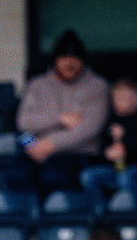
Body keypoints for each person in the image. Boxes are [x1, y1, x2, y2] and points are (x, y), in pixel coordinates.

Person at [16, 30, 109, 191]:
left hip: (79, 153)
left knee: (52, 177)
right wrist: (59, 118)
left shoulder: (98, 86)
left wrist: (51, 144)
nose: (69, 63)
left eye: (75, 58)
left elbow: (91, 128)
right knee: (15, 175)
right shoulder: (37, 84)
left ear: (83, 61)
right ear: (55, 60)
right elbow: (24, 122)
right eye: (64, 58)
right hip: (36, 151)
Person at [81, 79, 137, 194]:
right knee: (88, 176)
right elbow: (99, 147)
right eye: (116, 98)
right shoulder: (109, 121)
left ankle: (129, 206)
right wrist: (106, 154)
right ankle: (99, 207)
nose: (119, 101)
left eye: (124, 98)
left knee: (125, 177)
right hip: (114, 168)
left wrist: (125, 138)